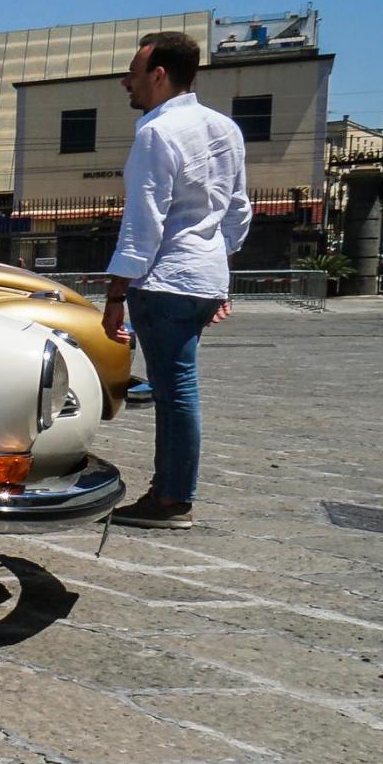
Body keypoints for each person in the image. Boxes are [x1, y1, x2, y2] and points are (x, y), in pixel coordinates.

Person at [101, 29, 251, 529]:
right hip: (202, 275)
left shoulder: (156, 132)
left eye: (134, 73)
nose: (127, 82)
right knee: (178, 387)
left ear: (159, 75)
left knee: (175, 392)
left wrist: (116, 293)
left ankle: (170, 499)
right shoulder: (226, 128)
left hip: (164, 279)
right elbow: (238, 209)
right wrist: (217, 273)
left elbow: (144, 220)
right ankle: (171, 494)